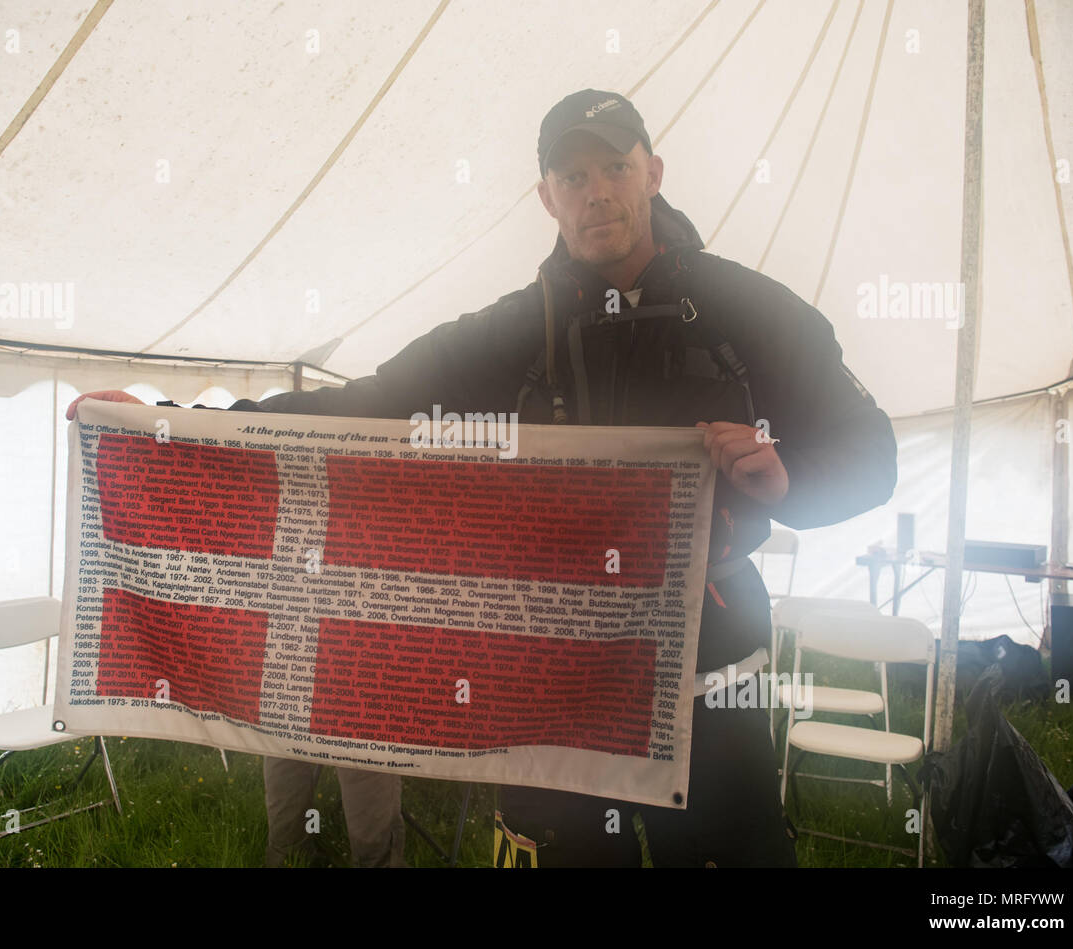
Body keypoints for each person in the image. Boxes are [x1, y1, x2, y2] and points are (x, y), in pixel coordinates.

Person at [68, 89, 898, 867]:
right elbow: (359, 410)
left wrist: (786, 481)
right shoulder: (511, 333)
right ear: (546, 196)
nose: (596, 192)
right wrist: (165, 420)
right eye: (573, 175)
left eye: (615, 167)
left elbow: (871, 457)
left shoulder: (752, 312)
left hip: (713, 667)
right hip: (549, 675)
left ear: (654, 172)